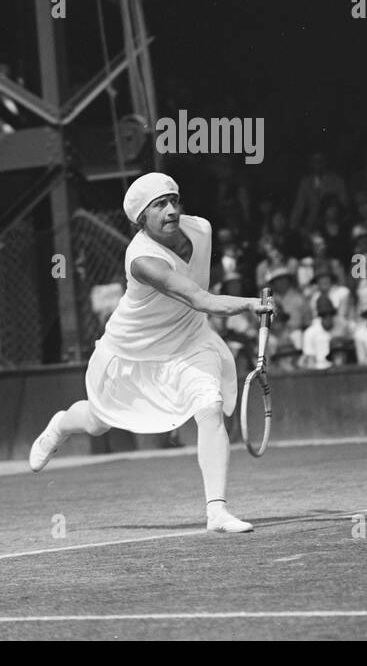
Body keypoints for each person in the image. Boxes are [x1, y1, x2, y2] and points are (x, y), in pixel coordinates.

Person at [28, 174, 272, 533]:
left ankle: (217, 511)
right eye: (160, 205)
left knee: (209, 407)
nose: (171, 210)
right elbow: (198, 298)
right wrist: (252, 303)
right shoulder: (143, 260)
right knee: (98, 422)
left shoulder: (201, 229)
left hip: (190, 342)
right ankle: (60, 425)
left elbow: (199, 300)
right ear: (140, 219)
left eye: (174, 200)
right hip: (132, 351)